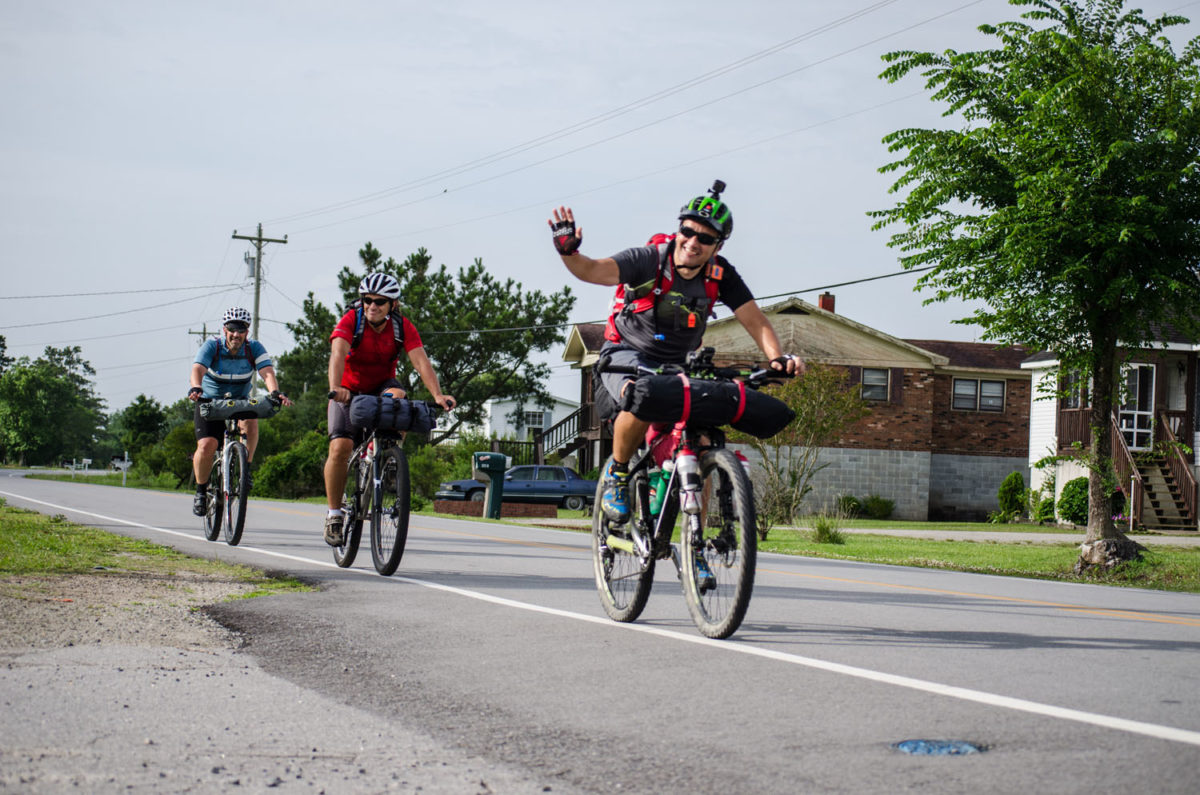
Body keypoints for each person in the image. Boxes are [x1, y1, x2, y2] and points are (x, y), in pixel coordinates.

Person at [548, 180, 803, 524]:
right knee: (641, 396)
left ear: (718, 245)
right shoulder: (648, 260)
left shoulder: (721, 274)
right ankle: (618, 476)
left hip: (676, 364)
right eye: (688, 231)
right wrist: (569, 252)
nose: (693, 242)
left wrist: (777, 358)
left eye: (706, 238)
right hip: (625, 354)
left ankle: (697, 539)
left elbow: (755, 322)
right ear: (678, 229)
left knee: (699, 441)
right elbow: (592, 270)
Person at [323, 272, 456, 546]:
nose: (372, 306)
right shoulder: (352, 320)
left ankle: (386, 458)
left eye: (379, 301)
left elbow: (421, 362)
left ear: (392, 305)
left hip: (381, 386)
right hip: (348, 390)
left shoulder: (402, 326)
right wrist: (337, 388)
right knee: (340, 448)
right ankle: (334, 513)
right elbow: (337, 353)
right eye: (367, 300)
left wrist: (438, 395)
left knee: (399, 399)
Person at [187, 307, 292, 516]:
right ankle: (200, 491)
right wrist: (196, 387)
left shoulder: (253, 348)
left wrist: (274, 392)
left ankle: (246, 470)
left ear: (247, 331)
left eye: (241, 329)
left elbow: (267, 372)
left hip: (239, 400)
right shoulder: (212, 347)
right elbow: (197, 369)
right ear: (224, 329)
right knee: (208, 445)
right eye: (232, 329)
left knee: (251, 423)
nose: (236, 334)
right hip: (210, 401)